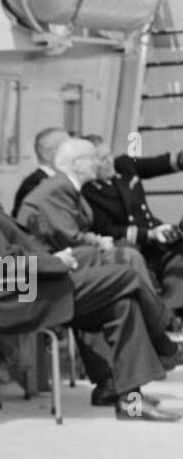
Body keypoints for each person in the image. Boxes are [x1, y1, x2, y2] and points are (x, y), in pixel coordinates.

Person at [0, 132, 180, 421]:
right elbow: (2, 260)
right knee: (125, 275)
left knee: (121, 305)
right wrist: (56, 263)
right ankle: (165, 343)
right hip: (14, 298)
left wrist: (57, 261)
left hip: (25, 288)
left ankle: (130, 400)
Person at [81, 134, 183, 320]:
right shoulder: (86, 191)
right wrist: (149, 235)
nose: (110, 162)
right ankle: (161, 321)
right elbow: (105, 229)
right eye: (103, 159)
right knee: (134, 260)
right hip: (131, 244)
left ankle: (174, 311)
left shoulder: (124, 164)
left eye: (109, 154)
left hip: (158, 237)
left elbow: (163, 163)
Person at [12, 127, 69, 217]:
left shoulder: (58, 181)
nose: (74, 153)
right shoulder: (36, 184)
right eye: (68, 148)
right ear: (47, 154)